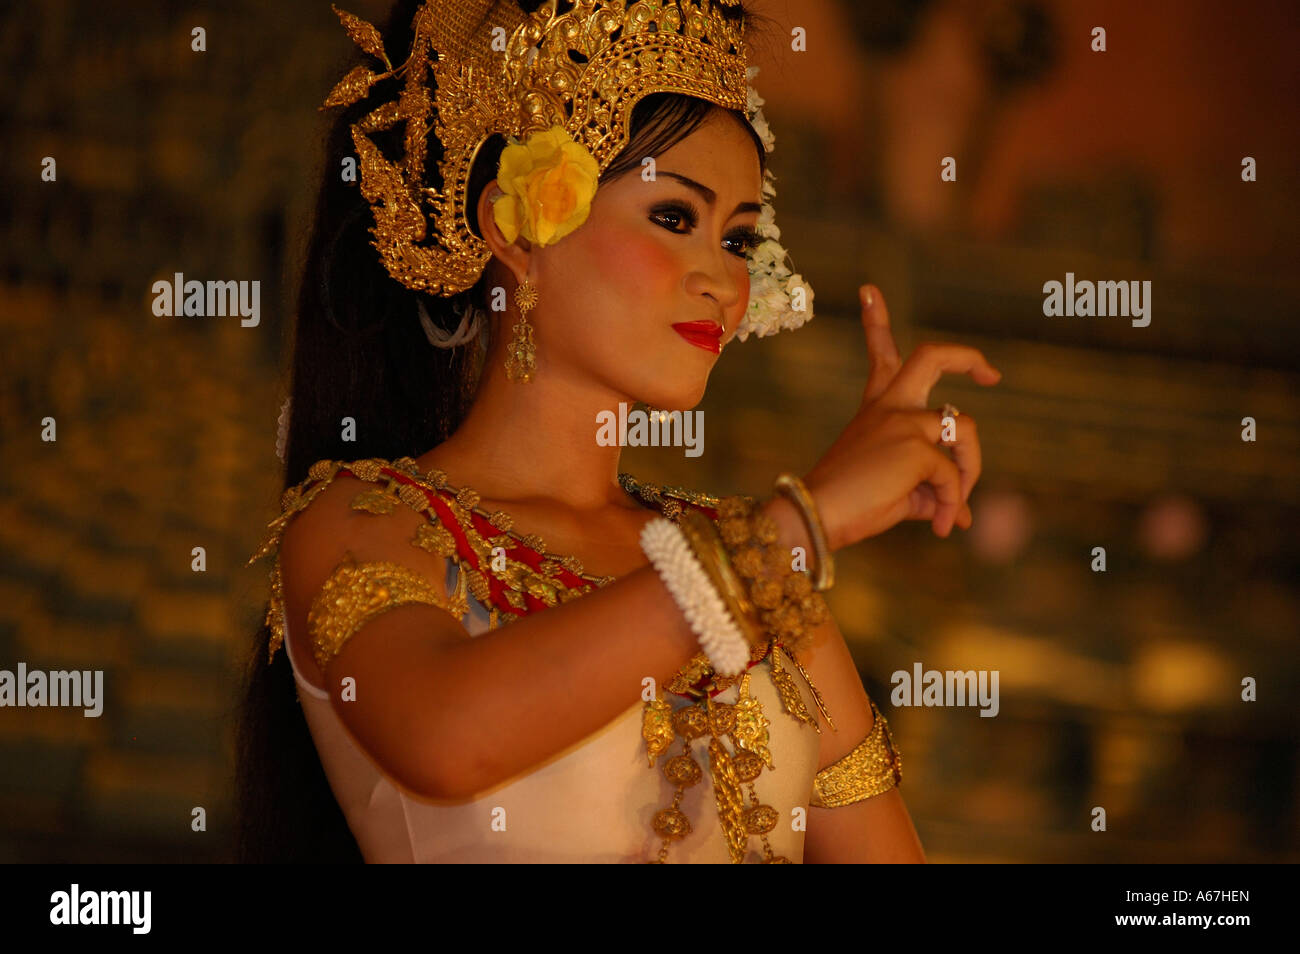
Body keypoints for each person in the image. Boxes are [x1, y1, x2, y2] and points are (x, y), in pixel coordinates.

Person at [236, 0, 1002, 863]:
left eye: (740, 240)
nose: (721, 277)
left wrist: (788, 540)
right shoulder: (364, 522)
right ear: (518, 228)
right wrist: (802, 524)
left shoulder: (776, 588)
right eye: (675, 218)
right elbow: (448, 737)